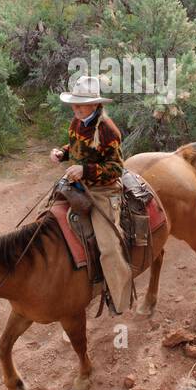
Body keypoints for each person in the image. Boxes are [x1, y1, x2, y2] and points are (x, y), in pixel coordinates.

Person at [50, 76, 131, 313]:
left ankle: (120, 299)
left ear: (95, 105)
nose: (75, 108)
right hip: (76, 182)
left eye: (80, 104)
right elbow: (75, 149)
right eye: (74, 104)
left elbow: (117, 168)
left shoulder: (107, 130)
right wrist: (62, 154)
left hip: (103, 189)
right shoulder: (77, 122)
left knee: (108, 246)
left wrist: (85, 170)